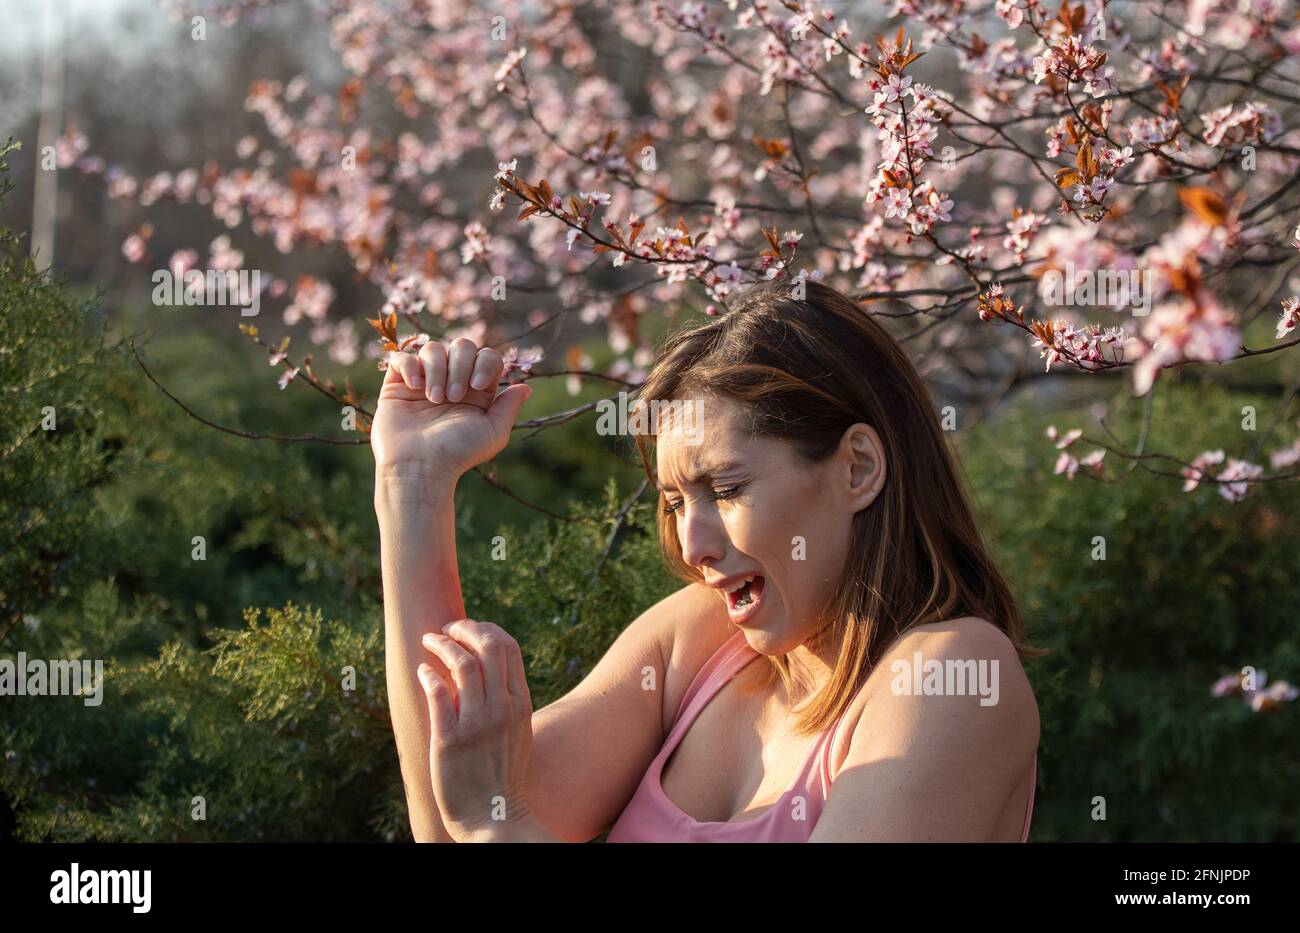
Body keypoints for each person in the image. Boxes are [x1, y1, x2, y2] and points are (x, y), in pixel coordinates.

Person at [372, 279, 1041, 843]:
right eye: (674, 500)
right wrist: (413, 486)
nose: (693, 547)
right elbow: (454, 814)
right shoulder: (696, 643)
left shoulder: (954, 676)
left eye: (726, 488)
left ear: (858, 468)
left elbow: (492, 822)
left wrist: (505, 827)